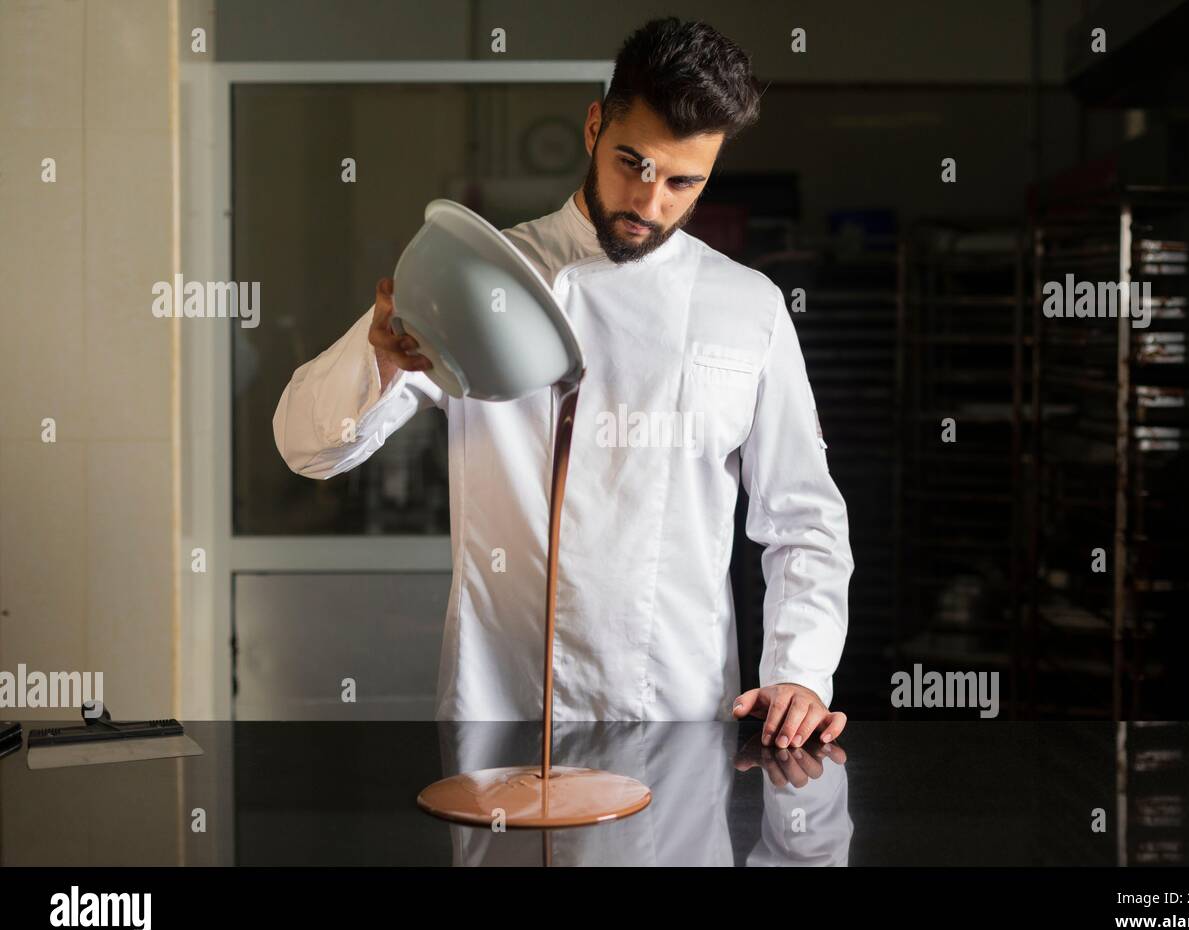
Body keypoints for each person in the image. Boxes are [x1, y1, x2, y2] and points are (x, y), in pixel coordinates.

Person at [273, 17, 854, 749]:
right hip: (502, 705)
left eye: (683, 182)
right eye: (632, 164)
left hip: (677, 708)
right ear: (592, 128)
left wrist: (800, 670)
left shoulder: (748, 307)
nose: (650, 204)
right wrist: (380, 357)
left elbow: (804, 518)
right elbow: (306, 446)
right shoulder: (479, 274)